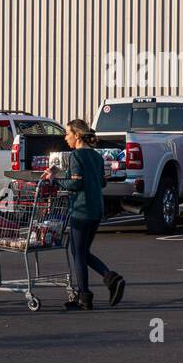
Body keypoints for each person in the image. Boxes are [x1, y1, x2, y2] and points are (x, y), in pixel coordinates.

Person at [42, 118, 125, 310]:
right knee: (83, 252)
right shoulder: (97, 157)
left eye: (68, 134)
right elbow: (102, 183)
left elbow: (76, 184)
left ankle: (87, 297)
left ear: (77, 135)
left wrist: (54, 180)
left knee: (77, 254)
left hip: (81, 209)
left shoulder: (76, 156)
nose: (65, 137)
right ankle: (109, 280)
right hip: (96, 210)